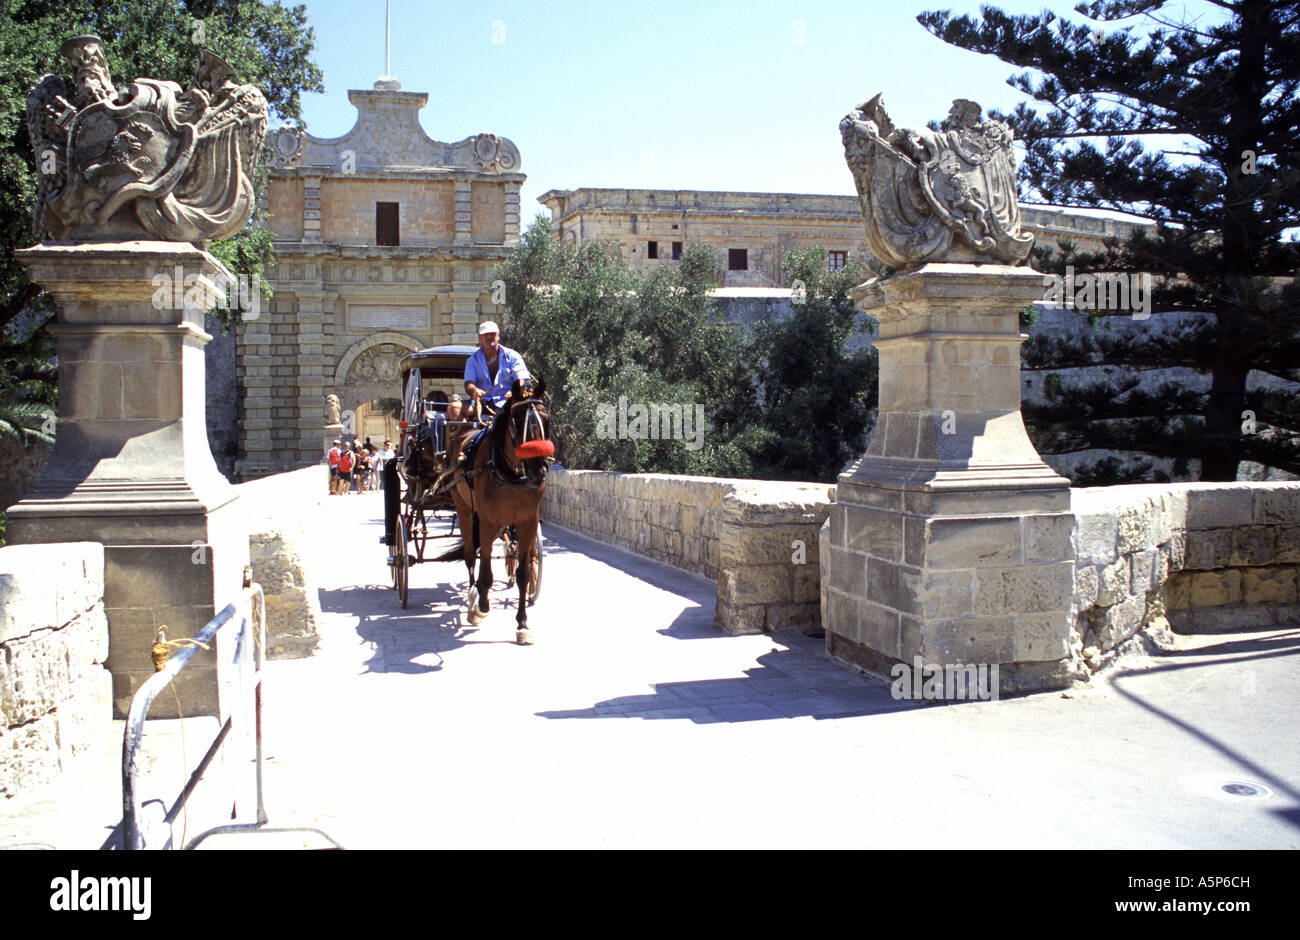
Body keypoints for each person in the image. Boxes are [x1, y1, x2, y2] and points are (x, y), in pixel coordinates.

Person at [463, 320, 530, 419]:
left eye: (492, 334)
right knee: (453, 408)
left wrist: (516, 392)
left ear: (498, 335)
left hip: (508, 403)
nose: (489, 337)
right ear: (480, 337)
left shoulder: (513, 356)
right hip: (482, 403)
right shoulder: (472, 361)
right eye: (486, 334)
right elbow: (469, 384)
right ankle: (466, 433)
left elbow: (523, 380)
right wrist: (475, 391)